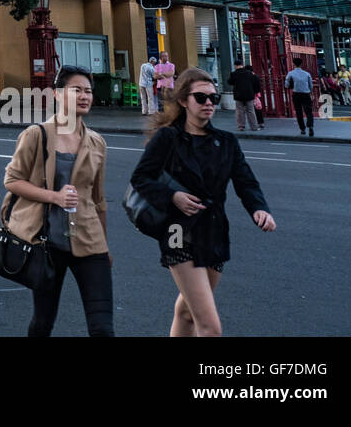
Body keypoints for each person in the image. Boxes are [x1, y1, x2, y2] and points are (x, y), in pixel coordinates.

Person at [129, 67, 275, 337]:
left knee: (186, 312)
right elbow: (141, 178)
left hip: (214, 231)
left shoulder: (226, 141)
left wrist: (259, 209)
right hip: (178, 232)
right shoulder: (168, 138)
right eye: (201, 97)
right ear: (183, 101)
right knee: (209, 327)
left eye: (214, 98)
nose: (209, 103)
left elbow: (246, 181)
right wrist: (173, 196)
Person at [2, 65, 113, 337]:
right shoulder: (36, 135)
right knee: (43, 323)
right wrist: (55, 197)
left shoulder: (97, 143)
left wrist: (105, 245)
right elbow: (12, 181)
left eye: (88, 91)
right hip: (47, 243)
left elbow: (98, 200)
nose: (85, 96)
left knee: (102, 328)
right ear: (57, 94)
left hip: (90, 241)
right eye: (77, 90)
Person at [228, 64, 261, 133]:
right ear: (242, 65)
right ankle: (254, 127)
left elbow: (230, 82)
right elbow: (254, 81)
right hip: (249, 94)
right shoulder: (249, 73)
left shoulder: (234, 74)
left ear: (235, 66)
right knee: (251, 111)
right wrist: (255, 91)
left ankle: (241, 127)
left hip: (238, 95)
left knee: (240, 111)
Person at [285, 57, 314, 136]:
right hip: (306, 94)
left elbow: (286, 85)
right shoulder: (307, 74)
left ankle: (302, 129)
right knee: (308, 111)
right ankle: (310, 126)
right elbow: (311, 85)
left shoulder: (290, 73)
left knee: (299, 112)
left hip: (296, 94)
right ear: (301, 64)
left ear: (293, 64)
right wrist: (309, 91)